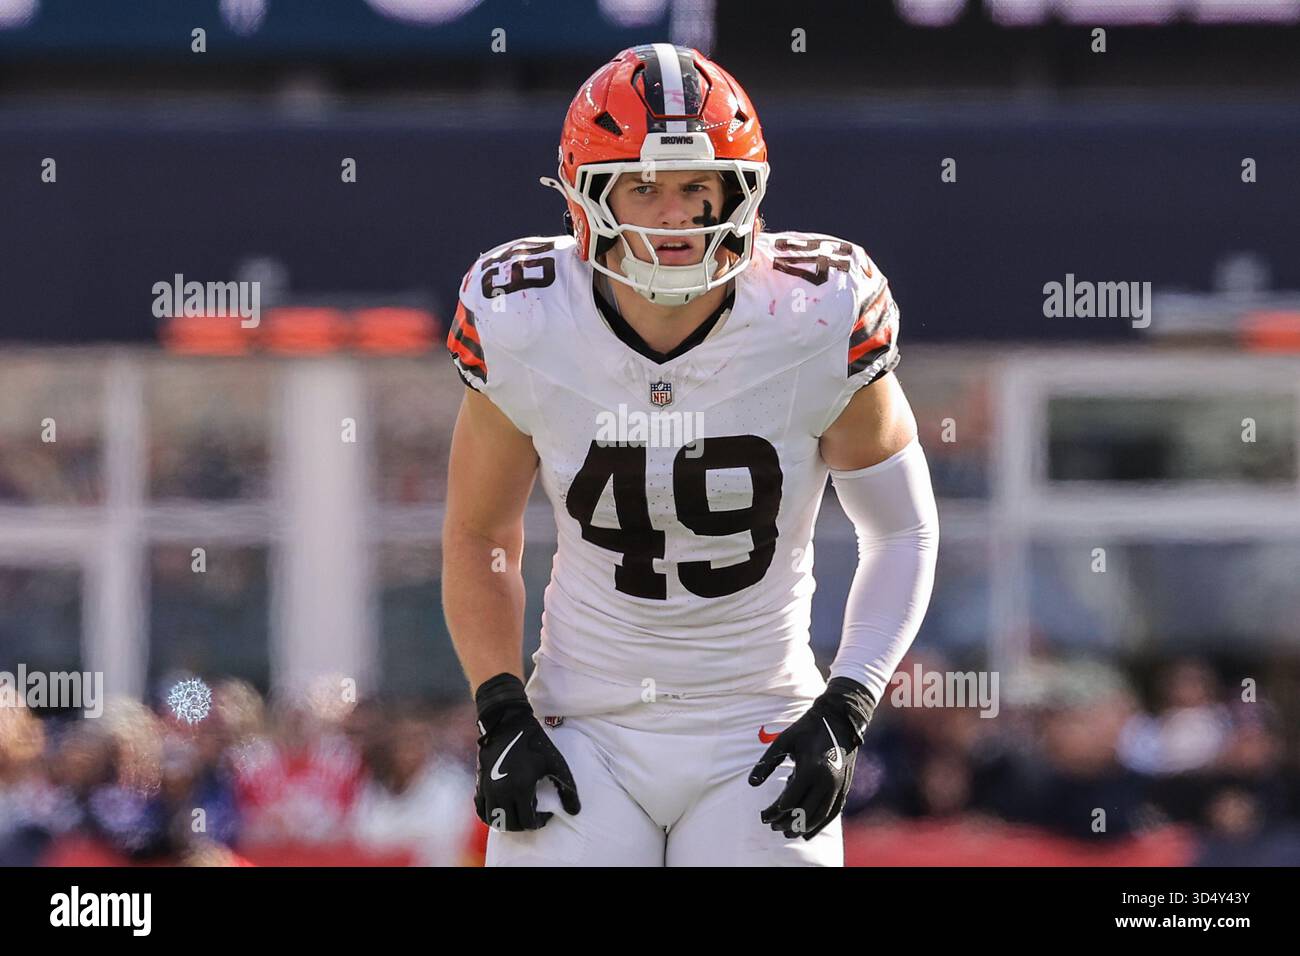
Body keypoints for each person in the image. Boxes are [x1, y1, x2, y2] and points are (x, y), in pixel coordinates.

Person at [443, 43, 939, 866]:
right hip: (585, 721)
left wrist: (848, 705)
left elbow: (904, 530)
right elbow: (478, 532)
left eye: (696, 187)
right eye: (644, 186)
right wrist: (500, 707)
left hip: (760, 718)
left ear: (738, 193)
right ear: (588, 193)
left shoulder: (814, 313)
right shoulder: (526, 316)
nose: (675, 216)